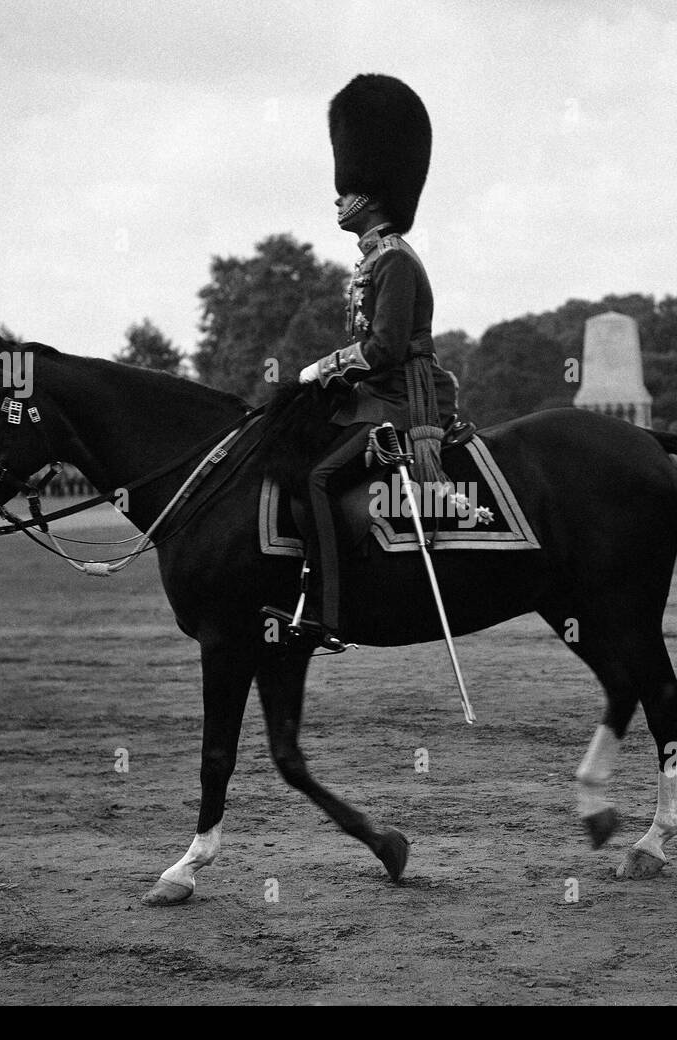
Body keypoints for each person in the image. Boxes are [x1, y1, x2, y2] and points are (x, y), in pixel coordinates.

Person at [290, 74, 458, 652]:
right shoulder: (371, 263)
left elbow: (383, 349)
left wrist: (318, 371)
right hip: (372, 399)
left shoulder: (394, 263)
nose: (337, 199)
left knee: (318, 477)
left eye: (346, 189)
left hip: (399, 402)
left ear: (371, 191)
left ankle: (327, 615)